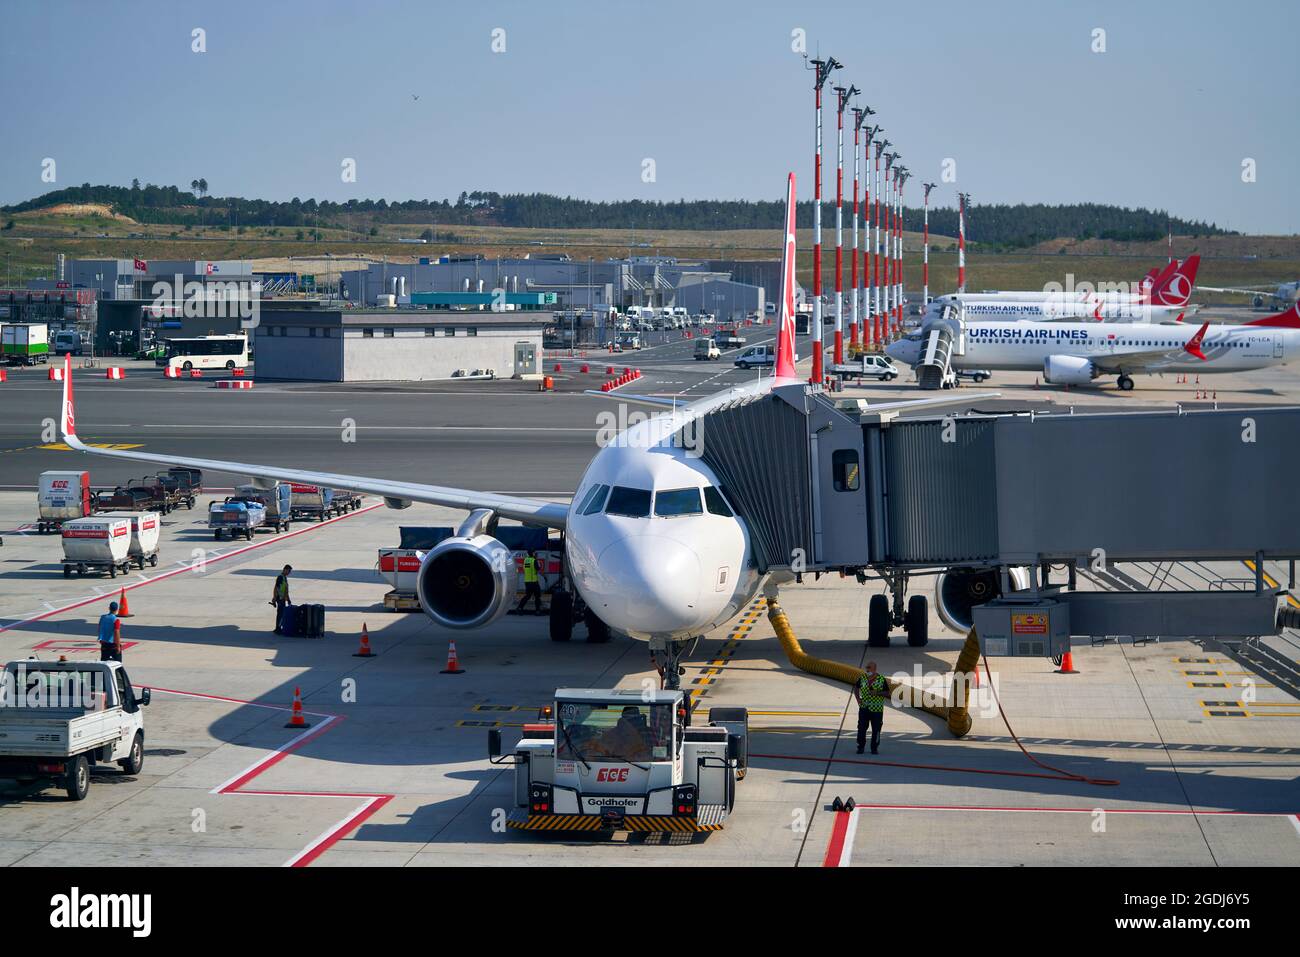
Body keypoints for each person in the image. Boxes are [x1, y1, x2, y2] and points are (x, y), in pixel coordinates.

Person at [855, 661, 888, 755]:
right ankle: (860, 747)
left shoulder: (881, 679)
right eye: (867, 667)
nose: (867, 669)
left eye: (869, 668)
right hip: (864, 708)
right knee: (861, 728)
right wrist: (858, 699)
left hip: (877, 710)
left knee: (876, 730)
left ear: (874, 669)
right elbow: (856, 688)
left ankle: (874, 748)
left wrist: (877, 693)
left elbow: (887, 693)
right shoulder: (862, 678)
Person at [516, 550, 543, 615]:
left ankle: (519, 608)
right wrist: (537, 563)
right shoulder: (534, 560)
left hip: (527, 581)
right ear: (533, 554)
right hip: (534, 582)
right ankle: (537, 611)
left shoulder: (526, 560)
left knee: (527, 596)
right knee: (537, 596)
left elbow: (525, 569)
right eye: (535, 553)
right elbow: (538, 569)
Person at [271, 565, 292, 634]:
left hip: (282, 598)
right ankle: (278, 628)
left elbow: (285, 590)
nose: (289, 573)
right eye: (288, 571)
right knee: (280, 614)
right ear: (285, 570)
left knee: (281, 614)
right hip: (280, 599)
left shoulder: (284, 578)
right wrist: (274, 598)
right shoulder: (280, 577)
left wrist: (288, 599)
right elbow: (276, 588)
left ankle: (278, 627)